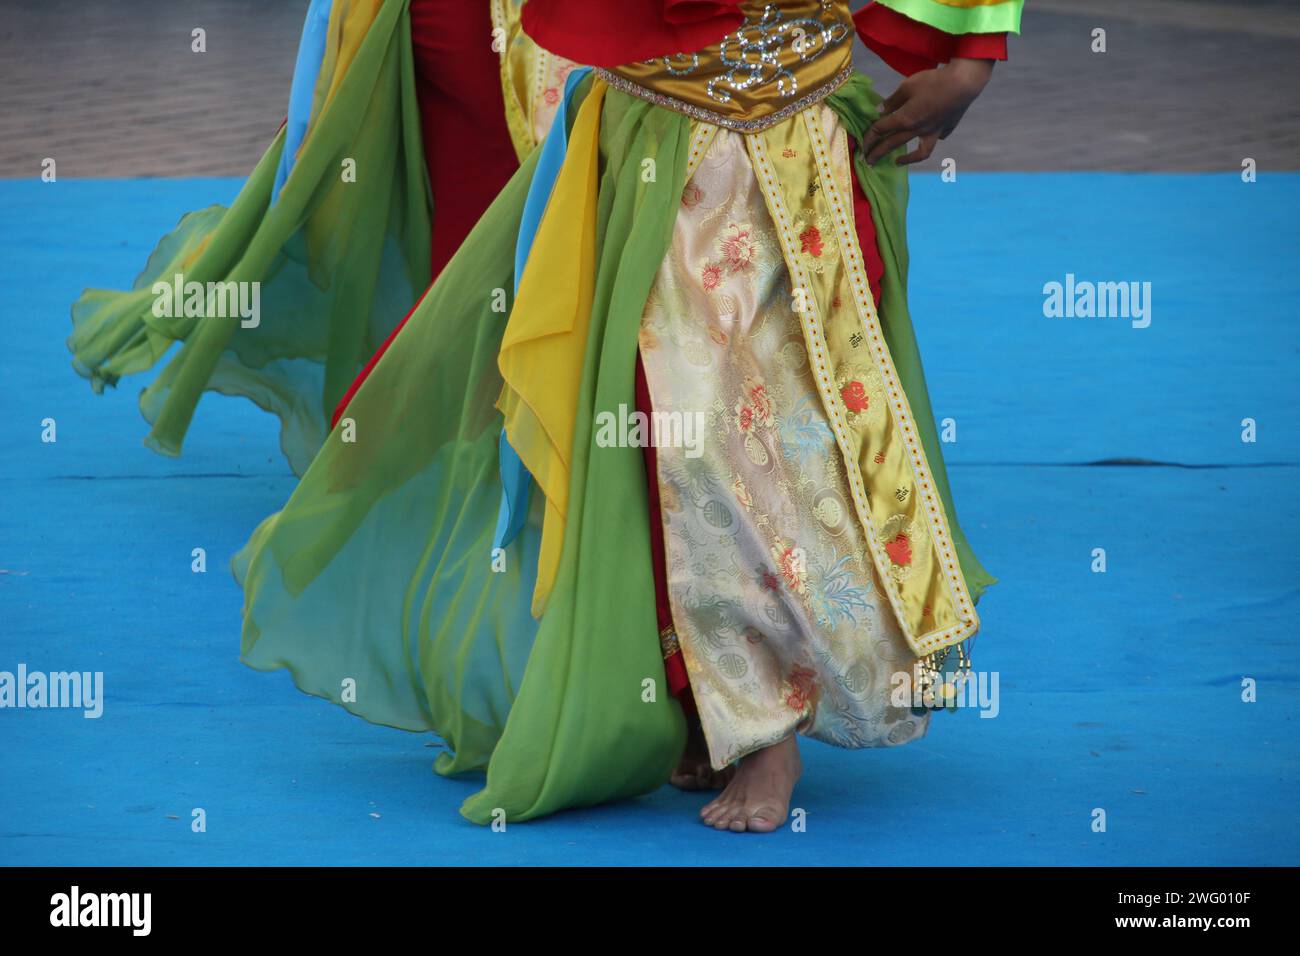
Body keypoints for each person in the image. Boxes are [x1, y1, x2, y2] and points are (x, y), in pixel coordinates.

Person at [236, 0, 1019, 831]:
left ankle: (766, 724)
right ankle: (701, 696)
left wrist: (969, 61)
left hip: (787, 155)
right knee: (663, 437)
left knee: (774, 435)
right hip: (652, 142)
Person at [67, 0, 576, 475]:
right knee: (492, 233)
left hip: (421, 20)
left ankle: (389, 440)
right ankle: (394, 439)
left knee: (473, 229)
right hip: (478, 26)